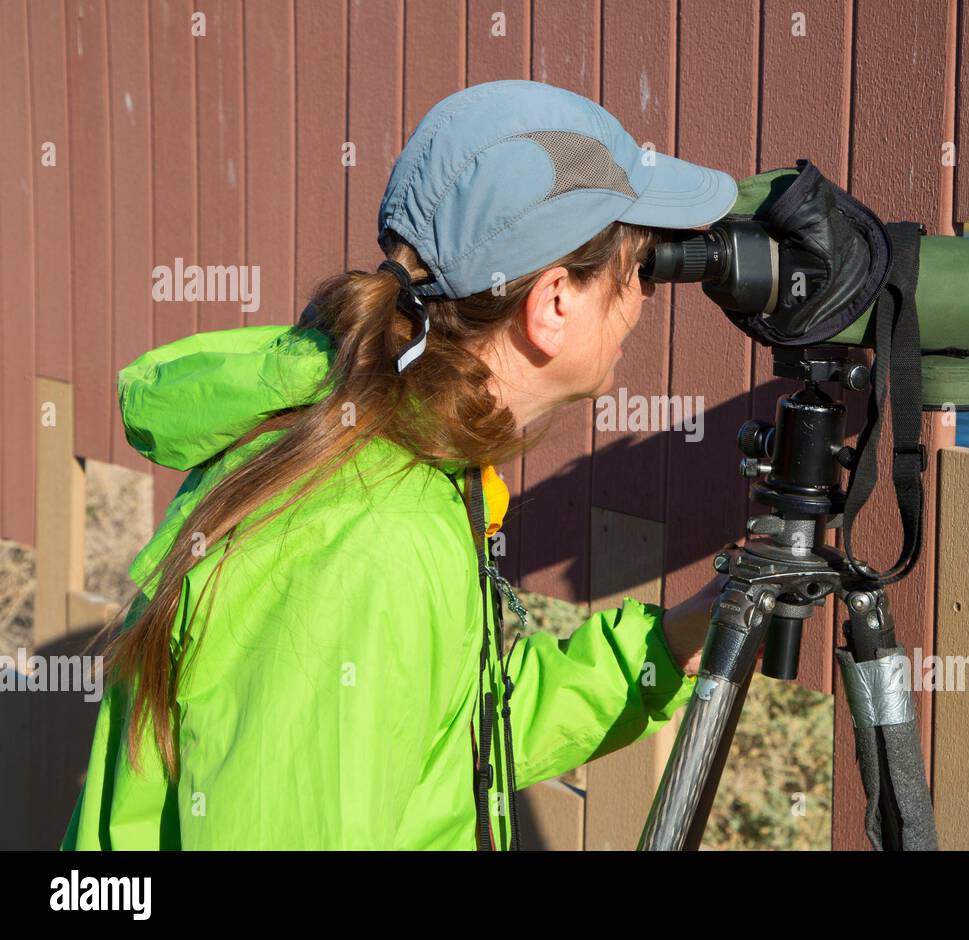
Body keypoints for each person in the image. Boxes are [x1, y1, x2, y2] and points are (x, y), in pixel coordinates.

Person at [62, 79, 740, 850]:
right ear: (554, 302)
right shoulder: (370, 537)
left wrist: (661, 651)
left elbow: (440, 739)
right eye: (640, 270)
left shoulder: (389, 454)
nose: (645, 298)